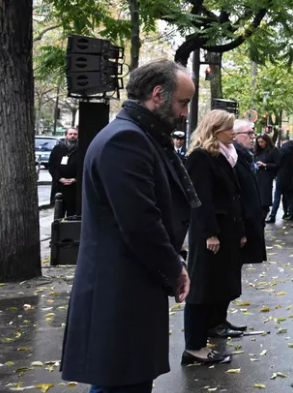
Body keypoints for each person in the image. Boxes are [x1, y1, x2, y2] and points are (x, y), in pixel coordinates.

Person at [61, 59, 198, 393]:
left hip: (128, 291)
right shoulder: (127, 140)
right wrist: (175, 268)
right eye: (182, 102)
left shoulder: (137, 135)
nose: (184, 113)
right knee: (120, 385)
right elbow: (140, 223)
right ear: (157, 94)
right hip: (120, 295)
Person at [182, 110, 246, 365]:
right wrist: (210, 233)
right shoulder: (200, 157)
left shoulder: (219, 156)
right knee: (201, 290)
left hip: (223, 234)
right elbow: (200, 200)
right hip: (210, 236)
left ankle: (204, 337)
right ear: (214, 130)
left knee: (213, 288)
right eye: (228, 128)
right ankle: (194, 347)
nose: (233, 132)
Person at [233, 120, 268, 265]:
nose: (253, 136)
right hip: (240, 226)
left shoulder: (245, 156)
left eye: (252, 133)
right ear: (235, 135)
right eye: (248, 133)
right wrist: (241, 231)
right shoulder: (233, 157)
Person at [48, 128, 81, 218]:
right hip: (60, 186)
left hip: (74, 187)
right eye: (70, 134)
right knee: (59, 213)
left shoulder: (81, 149)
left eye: (75, 134)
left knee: (73, 214)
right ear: (66, 135)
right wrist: (59, 178)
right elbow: (51, 165)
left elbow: (84, 167)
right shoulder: (58, 149)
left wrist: (76, 179)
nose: (73, 136)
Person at [271, 137, 293, 222]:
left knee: (277, 196)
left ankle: (273, 214)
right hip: (290, 176)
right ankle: (292, 212)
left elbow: (278, 163)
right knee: (289, 195)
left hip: (281, 175)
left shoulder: (282, 150)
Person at [254, 134, 280, 223]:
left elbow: (277, 164)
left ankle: (264, 211)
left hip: (266, 176)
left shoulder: (273, 151)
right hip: (257, 176)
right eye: (259, 142)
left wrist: (265, 165)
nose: (260, 144)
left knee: (264, 196)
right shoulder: (257, 151)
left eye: (262, 142)